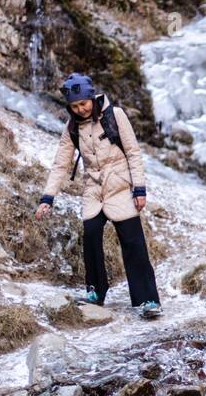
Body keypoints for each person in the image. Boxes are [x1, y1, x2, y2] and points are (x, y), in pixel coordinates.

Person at [35, 73, 162, 319]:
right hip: (93, 189)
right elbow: (61, 164)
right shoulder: (72, 126)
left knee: (133, 242)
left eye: (83, 103)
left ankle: (148, 299)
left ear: (91, 97)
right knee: (91, 235)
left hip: (121, 187)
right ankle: (96, 291)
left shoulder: (116, 115)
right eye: (74, 106)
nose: (80, 109)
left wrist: (139, 189)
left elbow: (133, 153)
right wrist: (47, 197)